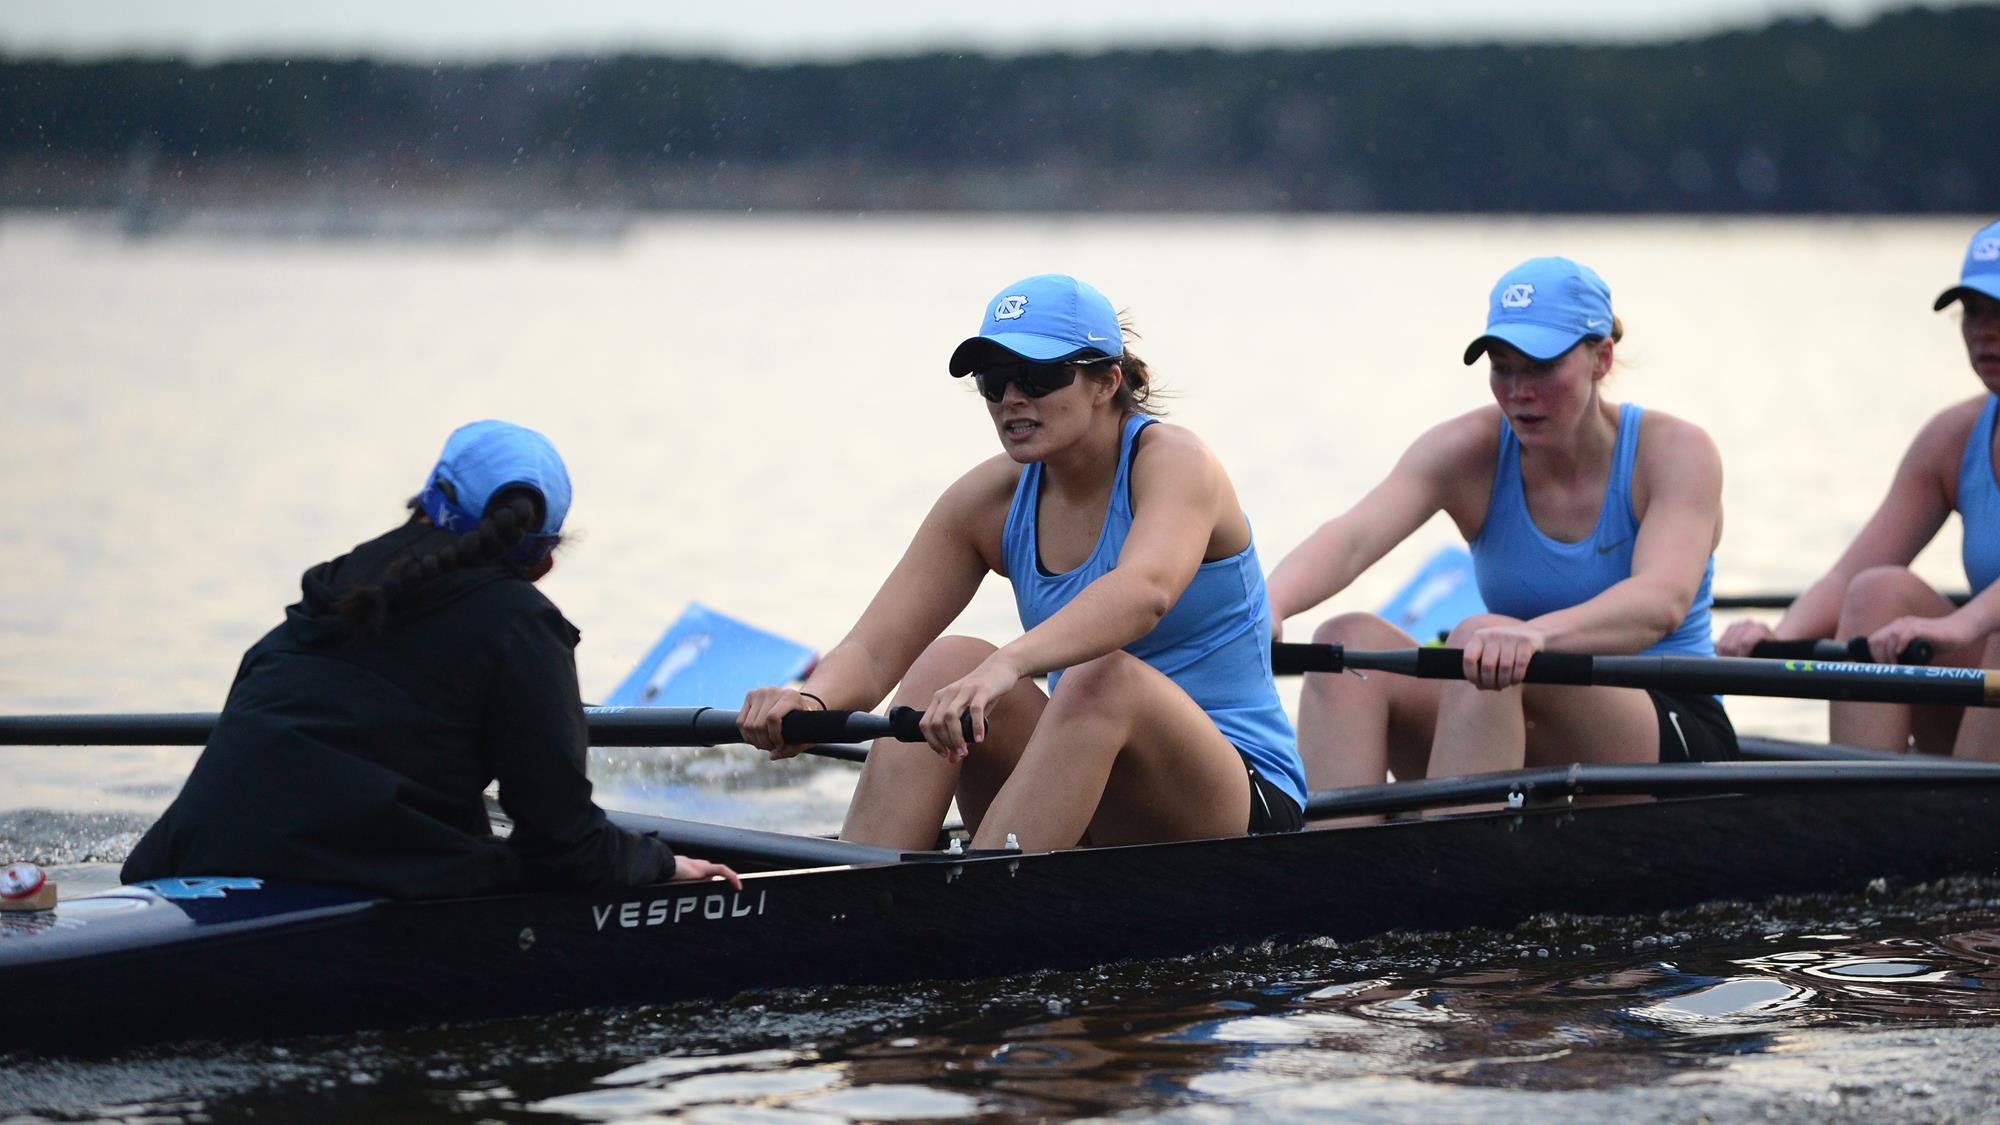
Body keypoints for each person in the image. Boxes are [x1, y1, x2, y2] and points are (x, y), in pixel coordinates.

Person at [737, 274, 1307, 851]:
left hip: (1238, 797)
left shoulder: (1175, 463)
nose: (1013, 398)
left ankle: (981, 910)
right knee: (948, 662)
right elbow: (873, 649)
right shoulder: (988, 502)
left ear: (1106, 381)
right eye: (995, 380)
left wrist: (1007, 664)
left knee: (1099, 675)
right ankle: (857, 897)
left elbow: (1144, 592)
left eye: (1038, 376)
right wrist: (812, 701)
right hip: (1085, 778)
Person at [122, 420, 739, 898]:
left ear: (422, 502)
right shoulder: (521, 624)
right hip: (352, 874)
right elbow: (565, 845)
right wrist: (660, 866)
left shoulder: (334, 588)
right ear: (544, 559)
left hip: (185, 854)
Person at [1266, 257, 1736, 788]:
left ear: (1601, 358)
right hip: (1510, 697)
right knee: (1346, 644)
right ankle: (1332, 858)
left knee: (1479, 639)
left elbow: (1661, 602)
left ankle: (1455, 856)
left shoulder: (1675, 452)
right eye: (1502, 367)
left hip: (1672, 725)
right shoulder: (1467, 450)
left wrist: (1532, 637)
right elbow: (1352, 539)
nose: (1518, 391)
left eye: (1540, 367)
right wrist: (1268, 606)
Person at [1717, 220, 2000, 759]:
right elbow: (1849, 573)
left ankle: (1971, 820)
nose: (1986, 332)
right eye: (1976, 313)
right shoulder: (1954, 437)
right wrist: (1778, 640)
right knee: (1876, 592)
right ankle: (1865, 812)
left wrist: (1964, 622)